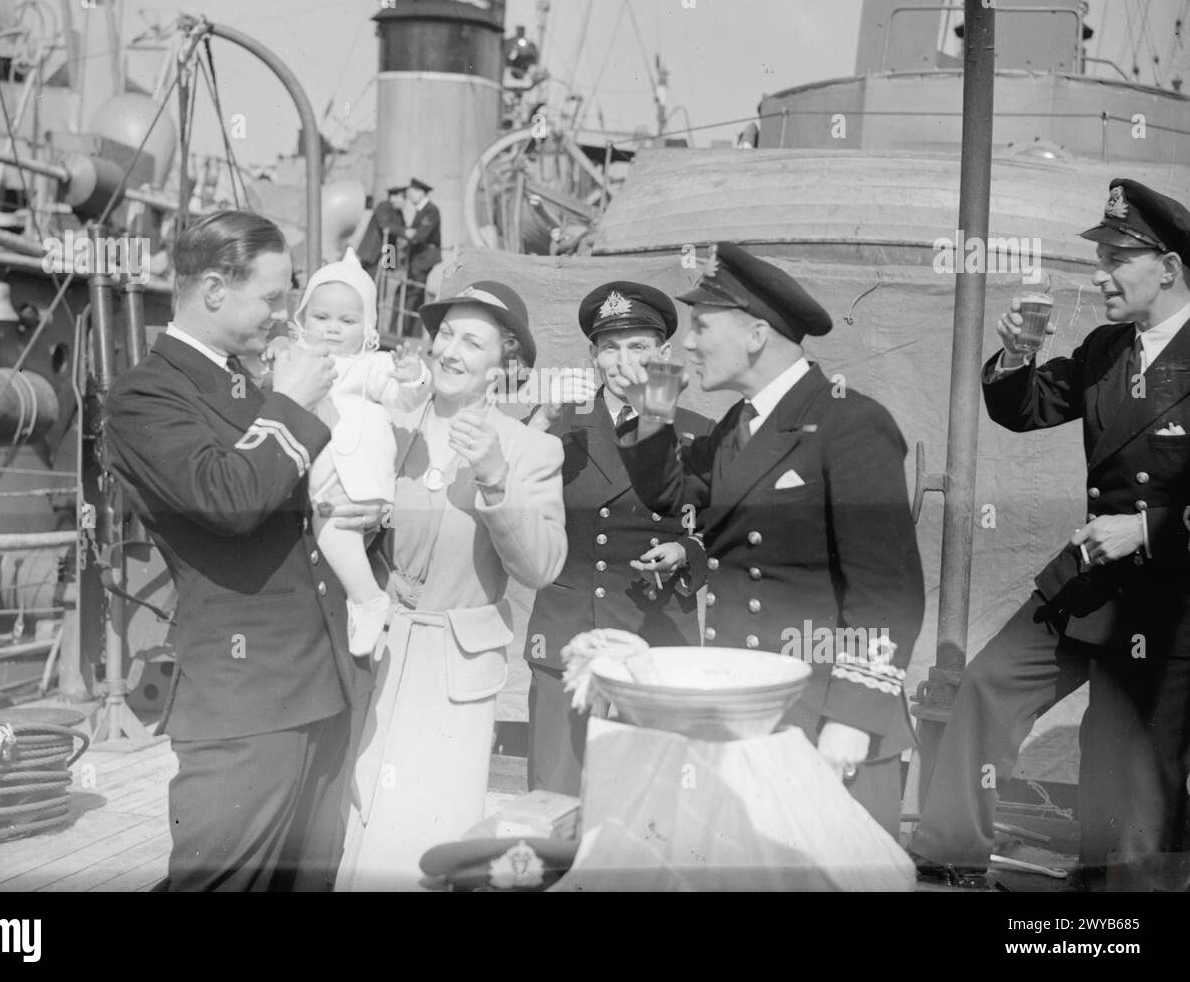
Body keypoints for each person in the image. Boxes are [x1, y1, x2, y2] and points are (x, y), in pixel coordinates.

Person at [910, 178, 1190, 886]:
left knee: (1130, 780)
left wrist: (1149, 529)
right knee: (987, 683)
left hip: (1172, 597)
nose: (1099, 273)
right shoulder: (1106, 347)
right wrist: (1014, 358)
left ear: (1170, 267)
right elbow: (1026, 409)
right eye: (1101, 254)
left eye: (1118, 257)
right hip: (1091, 577)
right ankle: (951, 855)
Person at [614, 243, 926, 837]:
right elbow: (672, 497)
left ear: (756, 335)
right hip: (753, 713)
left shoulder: (849, 422)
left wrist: (852, 719)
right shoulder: (740, 423)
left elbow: (888, 589)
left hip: (828, 719)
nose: (686, 343)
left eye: (701, 326)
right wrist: (652, 407)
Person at [104, 210, 374, 891]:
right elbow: (227, 499)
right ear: (216, 290)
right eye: (275, 296)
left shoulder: (241, 381)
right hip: (245, 705)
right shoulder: (146, 394)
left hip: (319, 689)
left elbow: (270, 496)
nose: (287, 314)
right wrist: (293, 401)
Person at [336, 280, 567, 890]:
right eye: (444, 334)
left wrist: (495, 479)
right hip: (376, 655)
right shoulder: (388, 422)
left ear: (506, 364)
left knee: (423, 841)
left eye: (472, 340)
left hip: (454, 674)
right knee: (357, 823)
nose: (449, 350)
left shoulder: (531, 450)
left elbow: (542, 567)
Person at [524, 281, 713, 797]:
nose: (622, 359)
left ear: (663, 354)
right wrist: (539, 425)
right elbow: (508, 493)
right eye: (610, 347)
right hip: (567, 632)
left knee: (651, 800)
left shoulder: (697, 432)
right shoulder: (561, 424)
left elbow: (727, 531)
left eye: (637, 346)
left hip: (658, 633)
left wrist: (685, 551)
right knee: (554, 796)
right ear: (592, 355)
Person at [292, 248, 431, 656]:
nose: (333, 329)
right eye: (321, 318)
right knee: (329, 532)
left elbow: (404, 399)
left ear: (366, 327)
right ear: (303, 318)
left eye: (347, 321)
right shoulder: (296, 360)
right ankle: (357, 602)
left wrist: (413, 377)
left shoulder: (370, 365)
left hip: (354, 471)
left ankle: (368, 599)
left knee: (333, 527)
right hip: (320, 471)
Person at [401, 177, 441, 332]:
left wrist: (411, 235)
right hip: (415, 257)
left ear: (421, 192)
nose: (409, 196)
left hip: (423, 257)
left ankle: (408, 330)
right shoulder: (420, 211)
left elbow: (421, 235)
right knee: (413, 293)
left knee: (414, 292)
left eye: (412, 192)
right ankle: (409, 330)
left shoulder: (430, 210)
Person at [356, 185, 407, 277]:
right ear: (393, 197)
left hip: (388, 250)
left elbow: (403, 227)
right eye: (402, 198)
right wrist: (404, 232)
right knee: (368, 277)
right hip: (373, 250)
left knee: (384, 279)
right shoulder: (383, 206)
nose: (404, 201)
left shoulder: (398, 212)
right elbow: (384, 225)